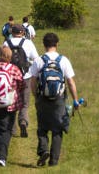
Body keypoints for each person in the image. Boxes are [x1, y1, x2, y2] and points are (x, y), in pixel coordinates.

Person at [30, 32, 79, 167]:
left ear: (44, 45)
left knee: (42, 128)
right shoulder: (64, 60)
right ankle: (54, 161)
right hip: (59, 99)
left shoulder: (39, 60)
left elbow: (33, 82)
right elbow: (70, 82)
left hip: (43, 98)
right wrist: (75, 100)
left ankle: (43, 150)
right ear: (57, 44)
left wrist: (36, 96)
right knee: (57, 130)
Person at [3, 24, 39, 137]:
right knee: (24, 103)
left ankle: (13, 129)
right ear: (22, 32)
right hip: (25, 76)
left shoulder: (6, 43)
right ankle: (23, 122)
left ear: (12, 32)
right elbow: (36, 59)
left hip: (10, 77)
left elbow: (2, 60)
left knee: (11, 102)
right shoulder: (28, 43)